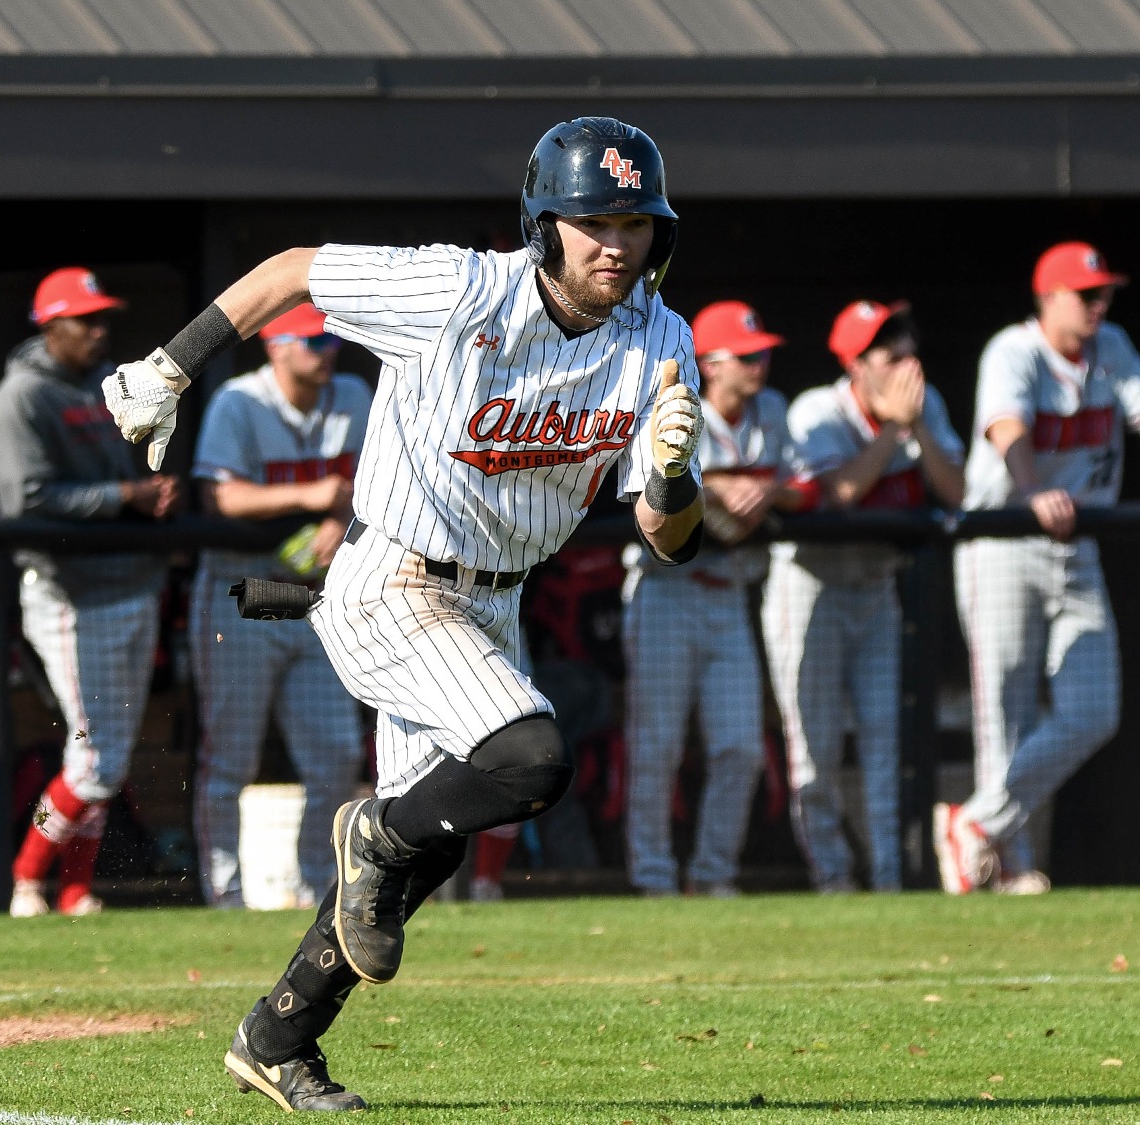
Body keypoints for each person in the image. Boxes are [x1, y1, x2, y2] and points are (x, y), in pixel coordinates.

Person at [101, 116, 703, 1113]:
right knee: (527, 761)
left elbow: (666, 536)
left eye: (636, 222)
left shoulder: (663, 338)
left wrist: (675, 479)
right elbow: (294, 270)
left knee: (430, 853)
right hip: (393, 577)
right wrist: (172, 365)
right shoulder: (460, 288)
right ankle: (373, 836)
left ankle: (276, 1038)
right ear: (544, 225)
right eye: (592, 221)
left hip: (493, 606)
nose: (616, 242)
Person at [935, 242, 1140, 896]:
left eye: (1105, 293)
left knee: (1094, 708)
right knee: (1001, 710)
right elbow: (1007, 429)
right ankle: (1001, 860)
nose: (1100, 304)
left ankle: (976, 824)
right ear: (1049, 298)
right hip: (1004, 535)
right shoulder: (1017, 350)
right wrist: (1032, 489)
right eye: (1086, 294)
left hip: (1076, 538)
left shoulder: (1111, 347)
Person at [0, 267, 181, 918]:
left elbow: (126, 477)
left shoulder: (102, 388)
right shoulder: (19, 398)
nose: (99, 331)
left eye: (103, 319)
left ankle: (72, 889)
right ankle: (26, 876)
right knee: (93, 758)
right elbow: (27, 499)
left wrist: (148, 491)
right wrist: (125, 496)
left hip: (128, 582)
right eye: (85, 320)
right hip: (68, 592)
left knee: (108, 759)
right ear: (50, 324)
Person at [765, 301, 964, 893]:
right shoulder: (819, 410)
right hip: (811, 589)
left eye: (910, 353)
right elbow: (842, 492)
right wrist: (896, 430)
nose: (908, 367)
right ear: (857, 366)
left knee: (887, 744)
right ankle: (833, 878)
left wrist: (918, 426)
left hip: (876, 590)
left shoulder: (926, 408)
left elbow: (956, 493)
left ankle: (888, 881)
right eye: (891, 356)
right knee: (815, 750)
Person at [189, 303, 370, 909]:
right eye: (312, 342)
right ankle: (224, 893)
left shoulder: (353, 395)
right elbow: (221, 498)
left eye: (330, 340)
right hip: (242, 591)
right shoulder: (239, 402)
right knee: (230, 754)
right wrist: (313, 494)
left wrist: (340, 513)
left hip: (313, 596)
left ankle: (317, 885)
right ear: (276, 347)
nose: (327, 351)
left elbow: (380, 485)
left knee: (337, 754)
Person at [623, 299, 795, 898]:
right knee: (658, 747)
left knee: (742, 749)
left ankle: (712, 872)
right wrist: (723, 487)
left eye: (763, 354)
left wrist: (766, 489)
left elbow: (806, 487)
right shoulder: (675, 403)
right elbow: (654, 486)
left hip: (730, 598)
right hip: (667, 594)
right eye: (746, 357)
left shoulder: (771, 411)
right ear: (711, 365)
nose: (759, 366)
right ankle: (653, 877)